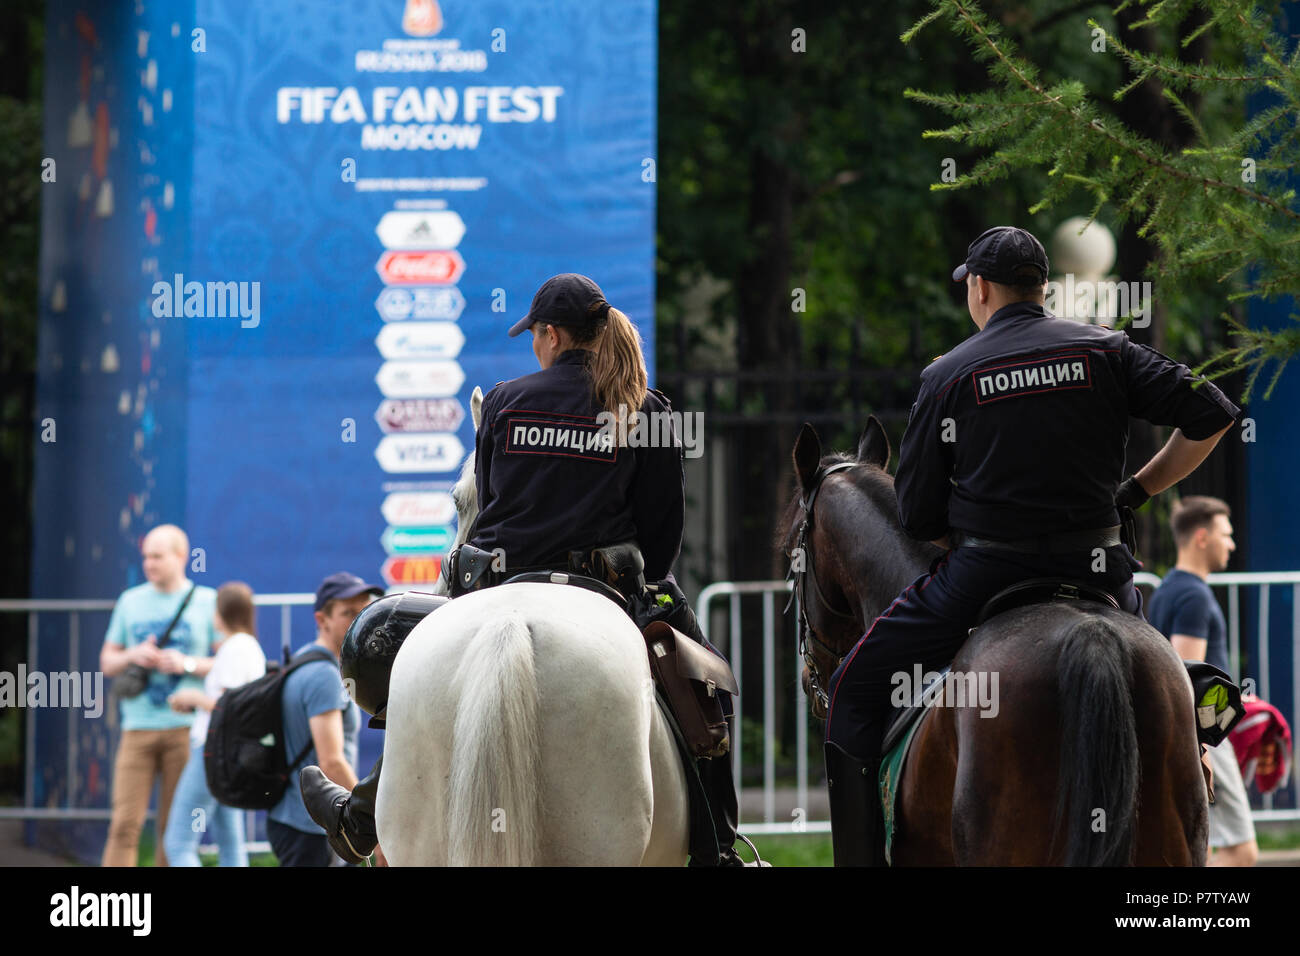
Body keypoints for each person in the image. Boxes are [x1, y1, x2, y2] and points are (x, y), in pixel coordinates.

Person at [301, 273, 753, 866]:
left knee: (433, 677)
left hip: (498, 580)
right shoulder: (646, 410)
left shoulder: (505, 400)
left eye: (535, 335)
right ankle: (719, 846)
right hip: (609, 585)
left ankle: (361, 818)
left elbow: (485, 511)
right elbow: (662, 539)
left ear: (551, 334)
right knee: (706, 686)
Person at [823, 226, 1241, 865]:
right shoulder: (1106, 349)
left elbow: (915, 515)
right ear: (1043, 289)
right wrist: (1135, 492)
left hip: (986, 572)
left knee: (854, 690)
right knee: (1169, 684)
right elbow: (1212, 411)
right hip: (1100, 568)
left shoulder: (949, 373)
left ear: (981, 289)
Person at [1148, 496, 1257, 867]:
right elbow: (1186, 675)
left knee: (1198, 848)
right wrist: (1203, 749)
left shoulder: (1166, 590)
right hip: (1204, 737)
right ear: (1201, 537)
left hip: (1192, 737)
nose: (1232, 544)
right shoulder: (1194, 596)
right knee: (1241, 851)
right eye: (1225, 534)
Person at [100, 524, 218, 867]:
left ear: (181, 557)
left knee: (174, 828)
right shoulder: (130, 601)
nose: (149, 564)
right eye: (146, 557)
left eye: (157, 556)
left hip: (185, 729)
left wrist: (187, 663)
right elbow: (106, 661)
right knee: (124, 824)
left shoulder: (207, 601)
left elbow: (230, 660)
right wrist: (132, 655)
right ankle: (115, 909)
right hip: (137, 727)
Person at [267, 572, 381, 867]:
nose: (360, 620)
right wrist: (369, 824)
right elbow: (330, 762)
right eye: (348, 613)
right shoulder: (324, 676)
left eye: (365, 610)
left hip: (298, 821)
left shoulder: (307, 661)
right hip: (311, 828)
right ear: (322, 620)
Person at [162, 581, 267, 866]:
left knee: (178, 842)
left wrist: (194, 696)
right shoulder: (247, 647)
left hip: (213, 752)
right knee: (230, 842)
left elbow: (229, 708)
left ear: (221, 613)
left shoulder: (235, 648)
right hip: (229, 754)